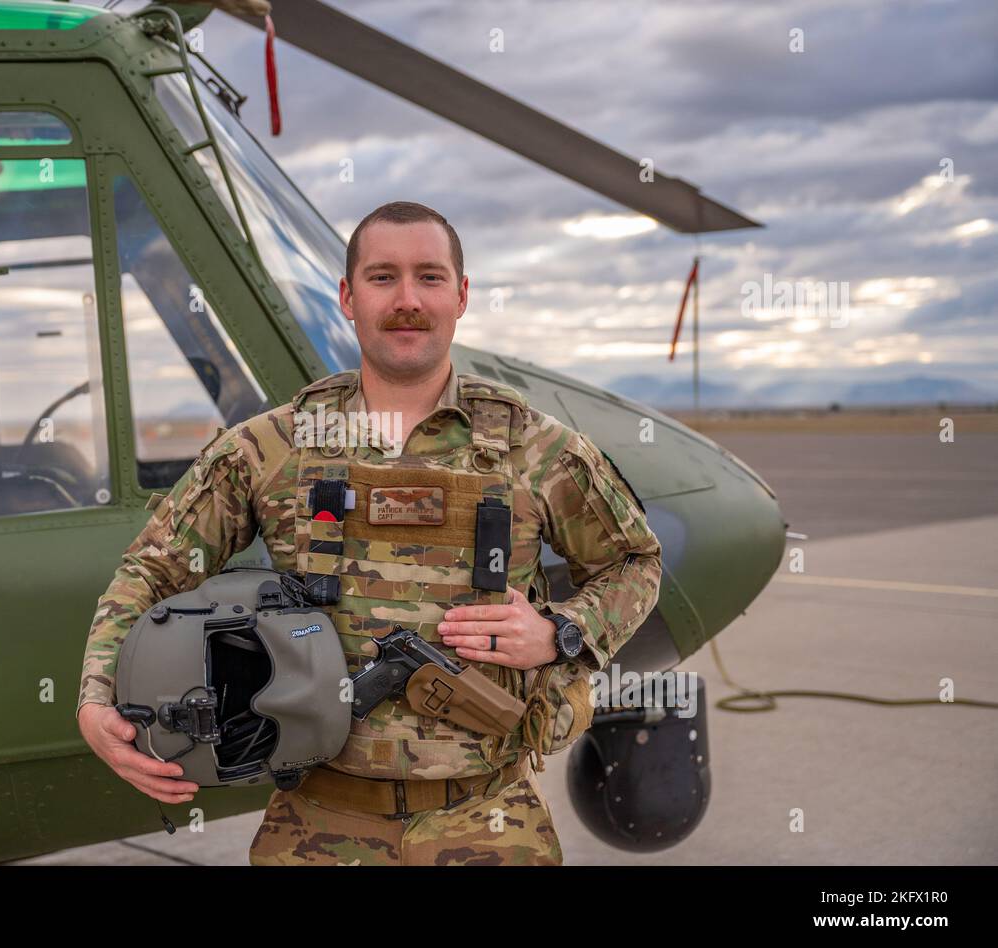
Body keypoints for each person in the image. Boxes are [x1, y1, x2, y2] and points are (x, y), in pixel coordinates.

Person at [77, 200, 662, 865]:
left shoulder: (535, 449)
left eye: (430, 277)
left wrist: (561, 630)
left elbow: (635, 562)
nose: (407, 299)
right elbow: (150, 571)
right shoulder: (274, 447)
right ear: (348, 297)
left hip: (489, 818)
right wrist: (97, 696)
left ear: (462, 295)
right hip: (318, 825)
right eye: (383, 277)